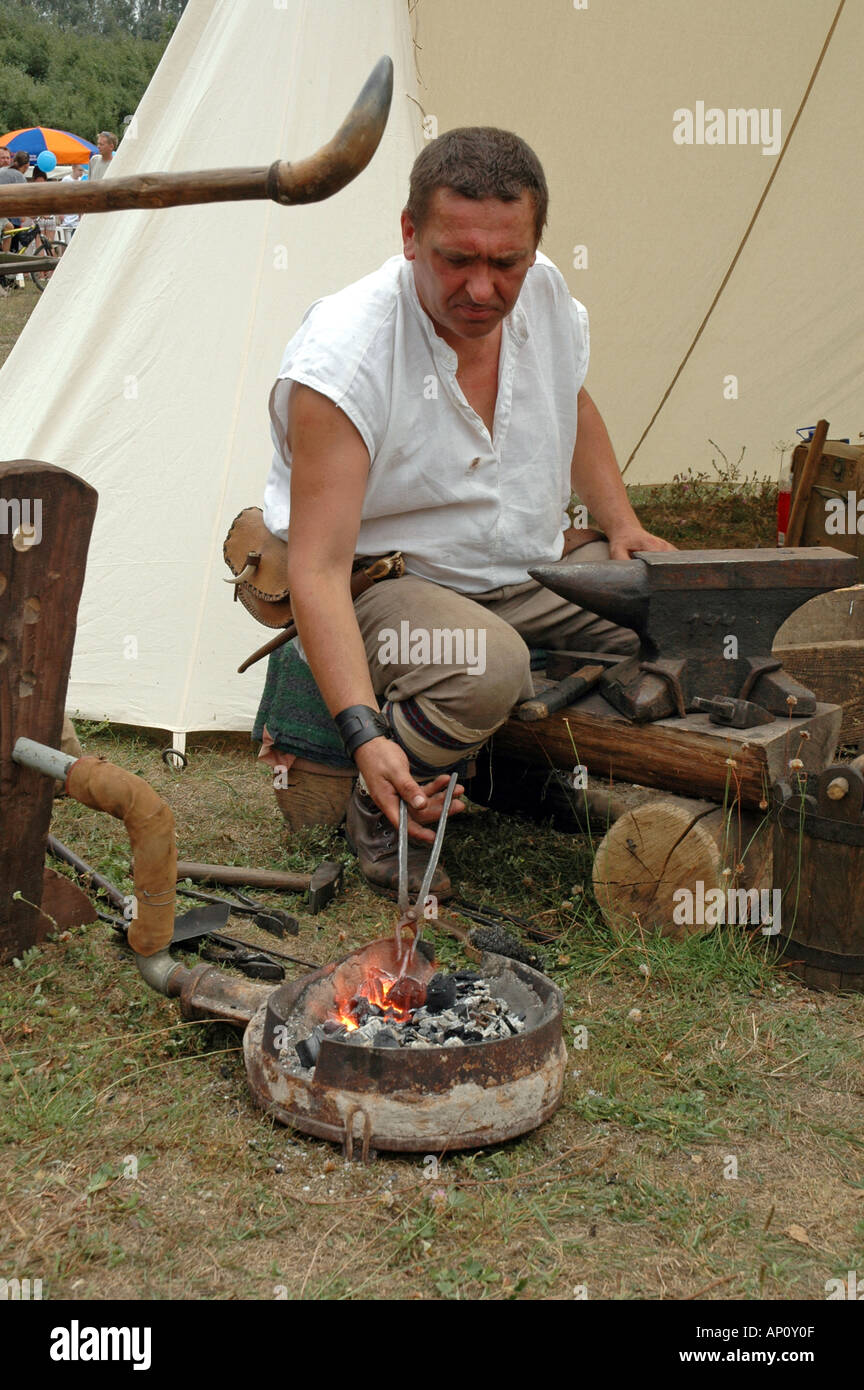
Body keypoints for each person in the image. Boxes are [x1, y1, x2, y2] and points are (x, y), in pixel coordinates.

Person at [261, 127, 672, 897]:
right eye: (457, 259)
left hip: (526, 567)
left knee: (671, 610)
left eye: (505, 262)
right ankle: (384, 815)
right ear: (411, 235)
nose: (483, 288)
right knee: (487, 662)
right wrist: (362, 733)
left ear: (533, 246)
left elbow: (570, 398)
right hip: (386, 580)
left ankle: (513, 777)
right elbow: (315, 570)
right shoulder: (345, 356)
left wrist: (620, 522)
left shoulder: (544, 291)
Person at [0, 151, 30, 255]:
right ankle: (5, 259)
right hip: (10, 217)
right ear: (27, 165)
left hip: (4, 214)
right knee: (13, 245)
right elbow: (22, 200)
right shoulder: (20, 177)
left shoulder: (3, 170)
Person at [59, 163, 84, 238]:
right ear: (73, 168)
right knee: (66, 238)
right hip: (67, 214)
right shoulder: (66, 180)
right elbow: (60, 196)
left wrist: (81, 214)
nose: (81, 173)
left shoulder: (80, 181)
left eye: (82, 170)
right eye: (79, 170)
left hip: (76, 216)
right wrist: (61, 213)